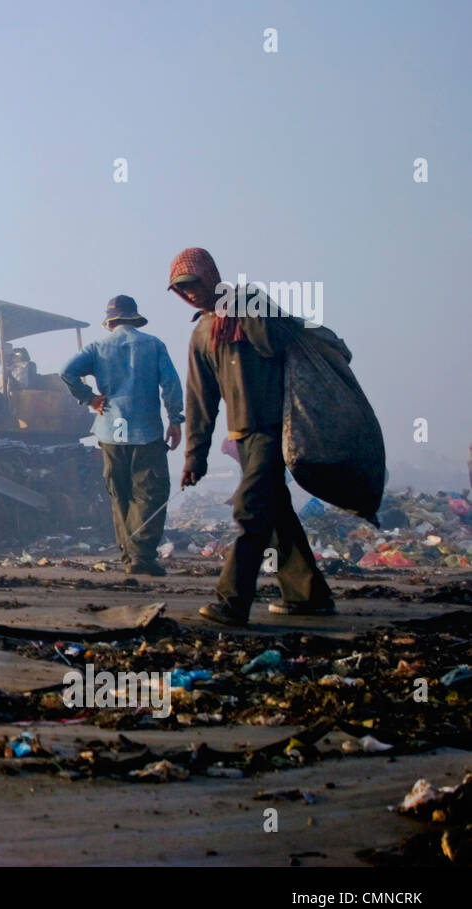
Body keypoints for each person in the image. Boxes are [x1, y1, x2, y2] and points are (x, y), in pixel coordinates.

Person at [169, 246, 334, 625]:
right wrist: (195, 458)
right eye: (182, 288)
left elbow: (274, 343)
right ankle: (308, 594)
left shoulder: (251, 306)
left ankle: (232, 602)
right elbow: (200, 400)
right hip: (243, 434)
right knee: (275, 513)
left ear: (210, 277)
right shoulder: (202, 333)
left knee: (250, 511)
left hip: (276, 428)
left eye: (193, 284)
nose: (190, 292)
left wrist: (242, 306)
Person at [60, 295, 183, 576]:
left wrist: (89, 398)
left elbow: (66, 371)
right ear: (134, 318)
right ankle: (142, 555)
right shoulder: (153, 345)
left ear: (110, 321)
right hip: (146, 431)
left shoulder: (97, 347)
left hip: (111, 430)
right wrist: (175, 420)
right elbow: (171, 385)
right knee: (150, 493)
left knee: (120, 494)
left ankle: (130, 556)